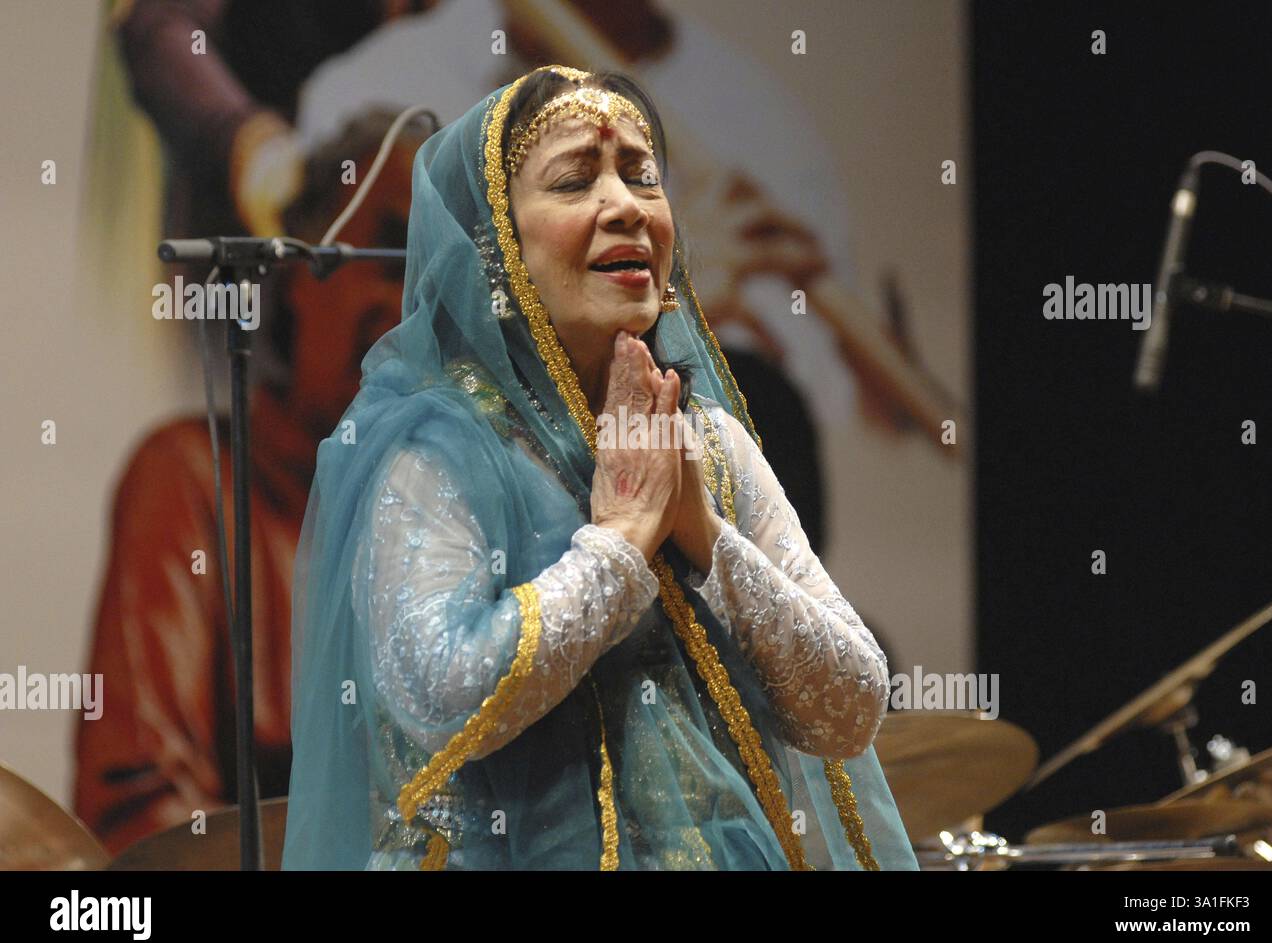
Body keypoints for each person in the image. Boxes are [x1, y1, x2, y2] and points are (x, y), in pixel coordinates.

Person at [281, 65, 917, 870]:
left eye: (643, 178)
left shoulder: (707, 444)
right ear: (496, 245)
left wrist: (702, 532)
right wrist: (619, 548)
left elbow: (853, 706)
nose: (626, 206)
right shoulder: (438, 448)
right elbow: (440, 697)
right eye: (577, 181)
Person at [74, 108, 430, 855]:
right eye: (390, 256)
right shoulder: (189, 476)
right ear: (296, 273)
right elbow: (144, 811)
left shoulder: (462, 518)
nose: (412, 308)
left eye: (441, 280)